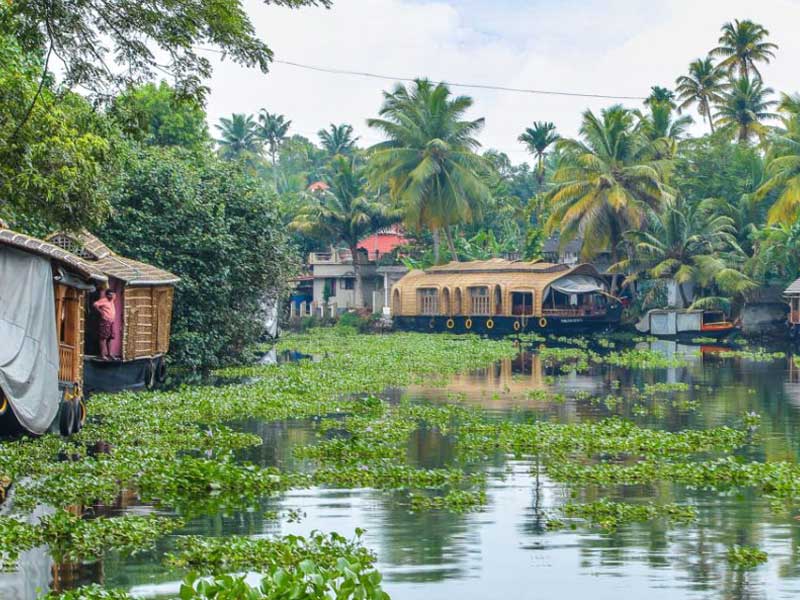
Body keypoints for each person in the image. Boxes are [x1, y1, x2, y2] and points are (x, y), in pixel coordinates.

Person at [93, 289, 117, 360]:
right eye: (110, 295)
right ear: (106, 295)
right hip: (105, 320)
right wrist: (101, 312)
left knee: (110, 337)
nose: (112, 296)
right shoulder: (104, 300)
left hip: (111, 321)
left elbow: (115, 293)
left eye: (112, 295)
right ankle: (102, 355)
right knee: (103, 338)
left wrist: (113, 293)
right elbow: (95, 304)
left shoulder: (112, 299)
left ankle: (110, 354)